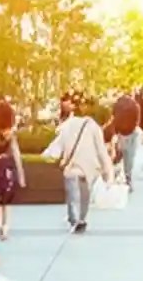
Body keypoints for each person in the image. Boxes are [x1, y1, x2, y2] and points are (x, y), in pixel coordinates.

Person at [45, 95, 114, 233]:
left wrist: (49, 156)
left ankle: (74, 218)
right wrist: (108, 172)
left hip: (71, 166)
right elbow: (101, 151)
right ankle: (81, 219)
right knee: (84, 195)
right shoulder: (94, 127)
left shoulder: (67, 125)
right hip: (87, 168)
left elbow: (58, 144)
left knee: (72, 195)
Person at [0, 118, 26, 240]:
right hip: (0, 173)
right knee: (0, 200)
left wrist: (21, 175)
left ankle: (4, 225)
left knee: (4, 200)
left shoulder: (9, 141)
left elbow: (17, 158)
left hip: (4, 172)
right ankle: (1, 223)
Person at [112, 91, 142, 189]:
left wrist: (116, 131)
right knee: (130, 157)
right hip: (132, 133)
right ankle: (128, 177)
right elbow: (137, 119)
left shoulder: (117, 105)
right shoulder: (135, 105)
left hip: (120, 133)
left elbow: (114, 117)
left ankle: (115, 175)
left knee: (120, 155)